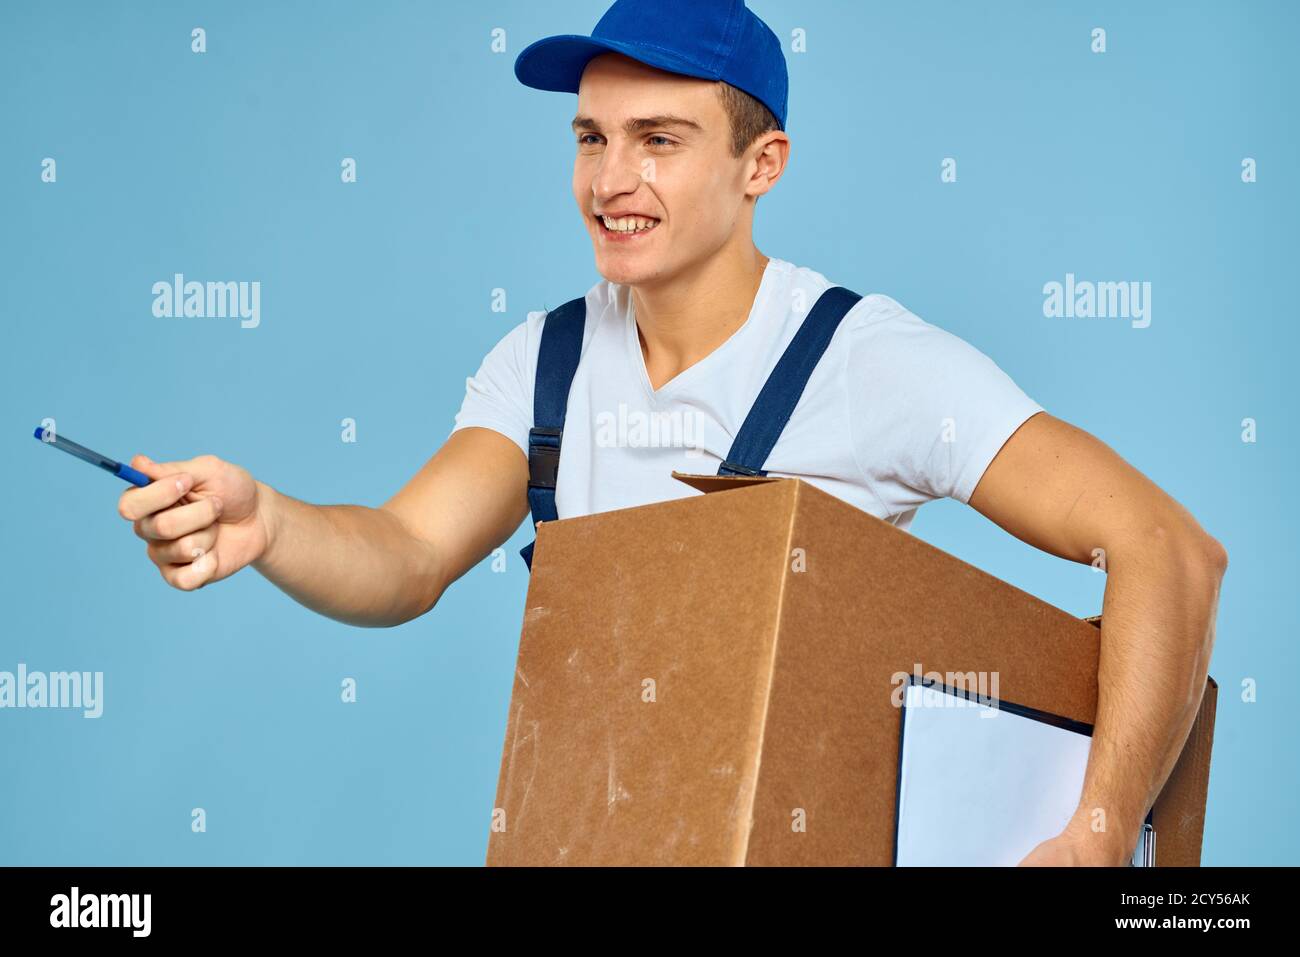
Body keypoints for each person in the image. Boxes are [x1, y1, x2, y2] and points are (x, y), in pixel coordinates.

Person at [117, 0, 1226, 866]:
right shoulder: (542, 362)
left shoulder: (867, 362)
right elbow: (406, 556)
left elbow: (1168, 550)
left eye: (659, 139)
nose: (610, 181)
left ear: (761, 165)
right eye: (591, 137)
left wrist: (1098, 829)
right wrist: (270, 526)